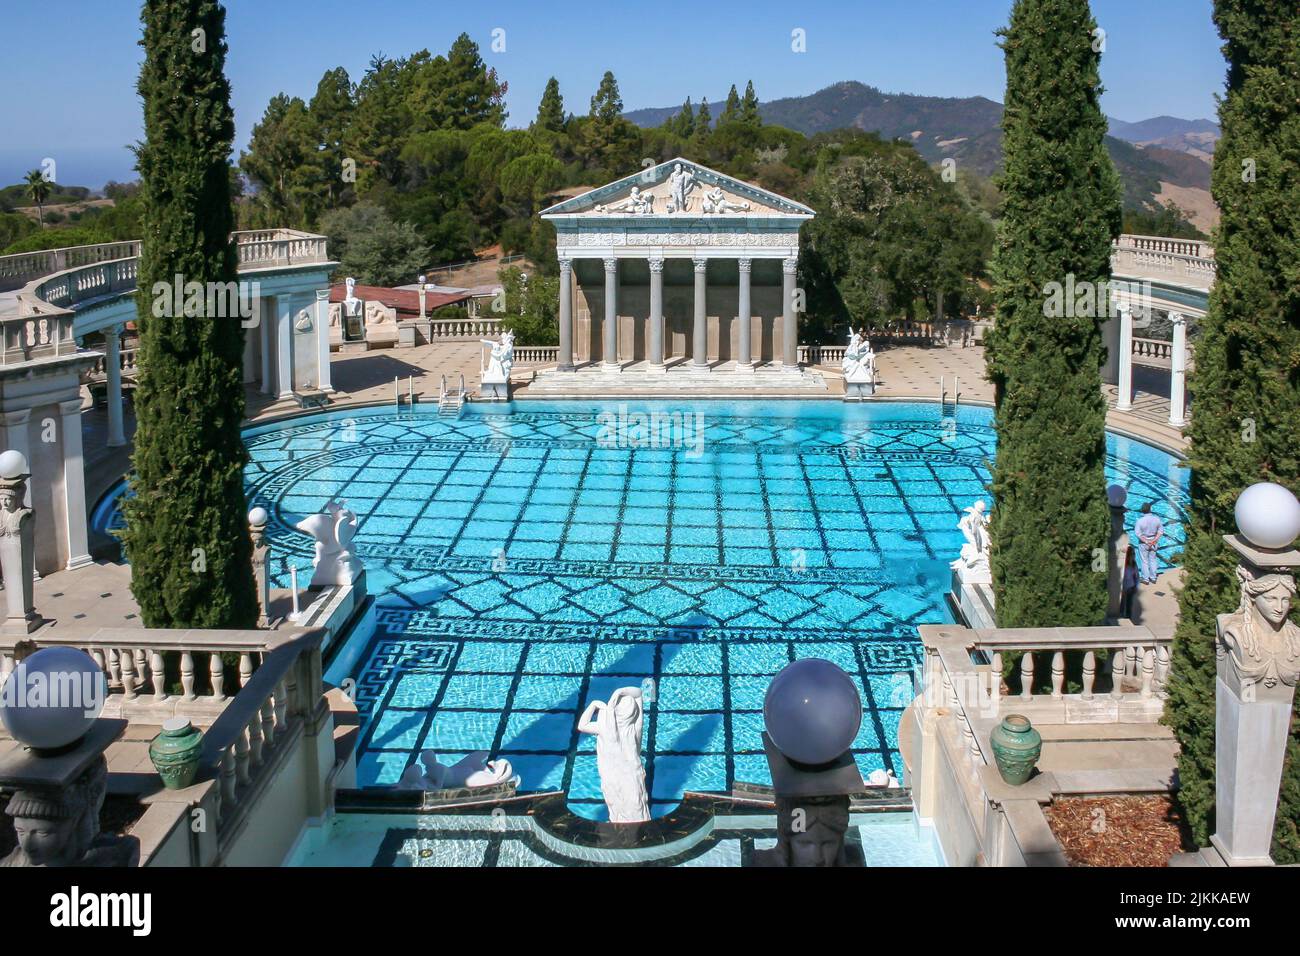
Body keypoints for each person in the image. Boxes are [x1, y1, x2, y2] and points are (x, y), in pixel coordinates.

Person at [1134, 502, 1164, 584]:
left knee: (1144, 561)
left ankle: (1145, 579)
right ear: (1150, 509)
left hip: (1144, 543)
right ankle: (1153, 578)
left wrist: (1147, 541)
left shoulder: (1140, 521)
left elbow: (1138, 534)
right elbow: (1161, 532)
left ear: (1142, 511)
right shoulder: (1157, 519)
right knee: (1153, 560)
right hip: (1154, 542)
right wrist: (1153, 541)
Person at [1120, 547, 1140, 619]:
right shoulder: (1124, 565)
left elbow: (1137, 576)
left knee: (1129, 604)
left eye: (1134, 554)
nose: (1133, 555)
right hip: (1123, 587)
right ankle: (1121, 615)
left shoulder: (1134, 564)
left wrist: (1137, 587)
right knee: (1122, 603)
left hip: (1131, 587)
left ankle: (1128, 616)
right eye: (1132, 554)